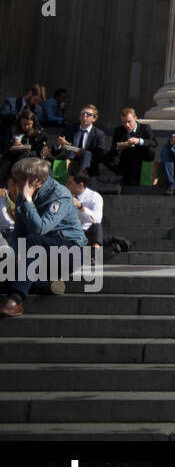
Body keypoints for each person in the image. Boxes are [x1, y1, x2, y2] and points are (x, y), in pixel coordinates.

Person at [1, 157, 85, 317]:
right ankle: (42, 285)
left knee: (34, 240)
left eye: (19, 180)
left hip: (67, 252)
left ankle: (15, 299)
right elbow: (19, 232)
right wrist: (16, 257)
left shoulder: (60, 195)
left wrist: (28, 200)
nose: (15, 184)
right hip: (37, 256)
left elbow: (40, 229)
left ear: (33, 181)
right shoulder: (22, 197)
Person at [50, 104, 108, 175]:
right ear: (80, 116)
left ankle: (81, 178)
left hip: (87, 163)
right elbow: (54, 152)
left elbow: (100, 155)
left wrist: (83, 153)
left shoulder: (99, 134)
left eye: (88, 114)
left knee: (87, 154)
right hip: (69, 159)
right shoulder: (70, 129)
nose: (85, 116)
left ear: (94, 119)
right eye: (83, 113)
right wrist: (58, 144)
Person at [106, 107, 157, 185]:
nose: (127, 125)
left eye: (129, 122)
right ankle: (121, 175)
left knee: (150, 150)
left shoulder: (145, 128)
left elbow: (153, 143)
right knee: (105, 155)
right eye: (124, 122)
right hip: (125, 158)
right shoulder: (119, 130)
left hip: (140, 157)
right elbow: (113, 149)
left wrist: (139, 141)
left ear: (135, 118)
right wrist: (120, 147)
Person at [0, 110, 48, 184]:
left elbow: (39, 149)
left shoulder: (39, 133)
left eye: (29, 124)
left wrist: (28, 150)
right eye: (23, 124)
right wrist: (12, 145)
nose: (26, 127)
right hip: (12, 157)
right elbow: (4, 148)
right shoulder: (13, 130)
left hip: (31, 158)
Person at [67, 170, 103, 247]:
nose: (67, 185)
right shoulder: (66, 196)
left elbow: (97, 219)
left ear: (81, 185)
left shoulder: (94, 197)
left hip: (87, 230)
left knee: (97, 227)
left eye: (70, 183)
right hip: (71, 230)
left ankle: (94, 256)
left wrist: (80, 207)